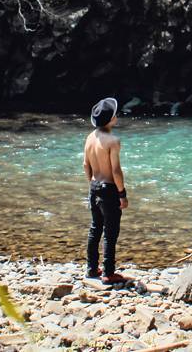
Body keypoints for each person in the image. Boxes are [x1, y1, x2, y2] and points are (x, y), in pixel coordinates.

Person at [84, 97, 129, 284]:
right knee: (110, 233)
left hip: (94, 186)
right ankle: (108, 273)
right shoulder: (113, 141)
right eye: (114, 114)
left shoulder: (90, 137)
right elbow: (116, 171)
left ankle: (92, 268)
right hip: (109, 189)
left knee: (95, 229)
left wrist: (93, 185)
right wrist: (122, 193)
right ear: (111, 119)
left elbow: (85, 165)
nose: (116, 115)